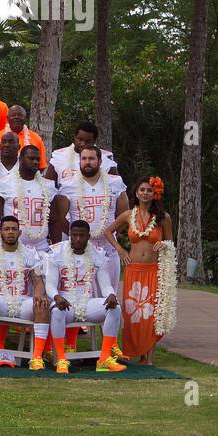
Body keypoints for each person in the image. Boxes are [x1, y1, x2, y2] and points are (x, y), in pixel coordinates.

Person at [104, 175, 175, 365]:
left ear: (155, 194)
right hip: (133, 270)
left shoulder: (163, 218)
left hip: (154, 271)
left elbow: (171, 243)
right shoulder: (129, 215)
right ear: (136, 193)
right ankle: (139, 354)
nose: (145, 193)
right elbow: (108, 231)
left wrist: (164, 245)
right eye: (142, 190)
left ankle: (149, 358)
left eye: (149, 190)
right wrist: (120, 249)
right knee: (133, 313)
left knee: (151, 315)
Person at [43, 220, 123, 373]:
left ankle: (104, 358)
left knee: (115, 308)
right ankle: (61, 359)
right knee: (56, 312)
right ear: (70, 235)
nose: (78, 239)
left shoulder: (97, 254)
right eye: (74, 235)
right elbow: (50, 284)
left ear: (88, 236)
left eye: (82, 235)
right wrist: (56, 297)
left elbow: (105, 283)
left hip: (87, 302)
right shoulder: (57, 252)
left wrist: (111, 294)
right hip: (65, 302)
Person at [0, 215, 49, 369]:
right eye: (6, 229)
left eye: (14, 229)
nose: (10, 232)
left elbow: (37, 280)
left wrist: (39, 294)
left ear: (19, 233)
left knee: (42, 304)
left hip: (23, 302)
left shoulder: (30, 253)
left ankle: (36, 358)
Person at [59, 145, 128, 287]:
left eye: (91, 158)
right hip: (81, 250)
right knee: (82, 296)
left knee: (109, 296)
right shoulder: (68, 184)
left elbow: (124, 215)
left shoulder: (115, 182)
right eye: (83, 159)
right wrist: (76, 238)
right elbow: (60, 218)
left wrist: (111, 234)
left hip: (108, 248)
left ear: (100, 161)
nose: (87, 162)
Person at [0, 144, 67, 253]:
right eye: (31, 158)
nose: (35, 162)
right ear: (20, 159)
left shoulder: (48, 186)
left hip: (41, 248)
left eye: (38, 159)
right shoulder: (3, 184)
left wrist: (56, 250)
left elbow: (54, 221)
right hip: (11, 248)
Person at [47, 120, 119, 182]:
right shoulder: (59, 156)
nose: (83, 144)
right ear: (74, 137)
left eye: (88, 141)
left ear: (94, 141)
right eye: (80, 139)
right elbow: (48, 187)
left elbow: (117, 187)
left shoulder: (105, 157)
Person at [0, 105, 45, 169]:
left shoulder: (36, 138)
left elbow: (41, 166)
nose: (16, 117)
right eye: (13, 115)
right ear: (7, 118)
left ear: (25, 118)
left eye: (20, 115)